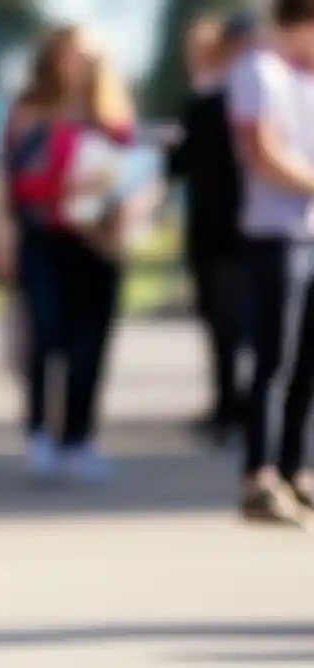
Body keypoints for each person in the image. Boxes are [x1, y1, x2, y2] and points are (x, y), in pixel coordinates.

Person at [0, 26, 136, 484]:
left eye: (87, 56)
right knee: (44, 333)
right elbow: (14, 179)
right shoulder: (32, 111)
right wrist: (6, 232)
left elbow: (130, 175)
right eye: (70, 55)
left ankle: (79, 436)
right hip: (45, 234)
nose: (78, 64)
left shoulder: (112, 115)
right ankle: (39, 430)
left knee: (89, 341)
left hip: (96, 240)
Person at [228, 0, 314, 524]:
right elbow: (261, 151)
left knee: (308, 362)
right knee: (272, 359)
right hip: (274, 233)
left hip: (309, 231)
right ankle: (259, 472)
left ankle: (295, 466)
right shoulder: (258, 71)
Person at [167, 14, 255, 446]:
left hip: (233, 231)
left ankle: (234, 405)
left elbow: (178, 163)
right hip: (222, 231)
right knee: (226, 324)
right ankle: (231, 403)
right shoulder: (207, 103)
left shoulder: (211, 104)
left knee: (234, 324)